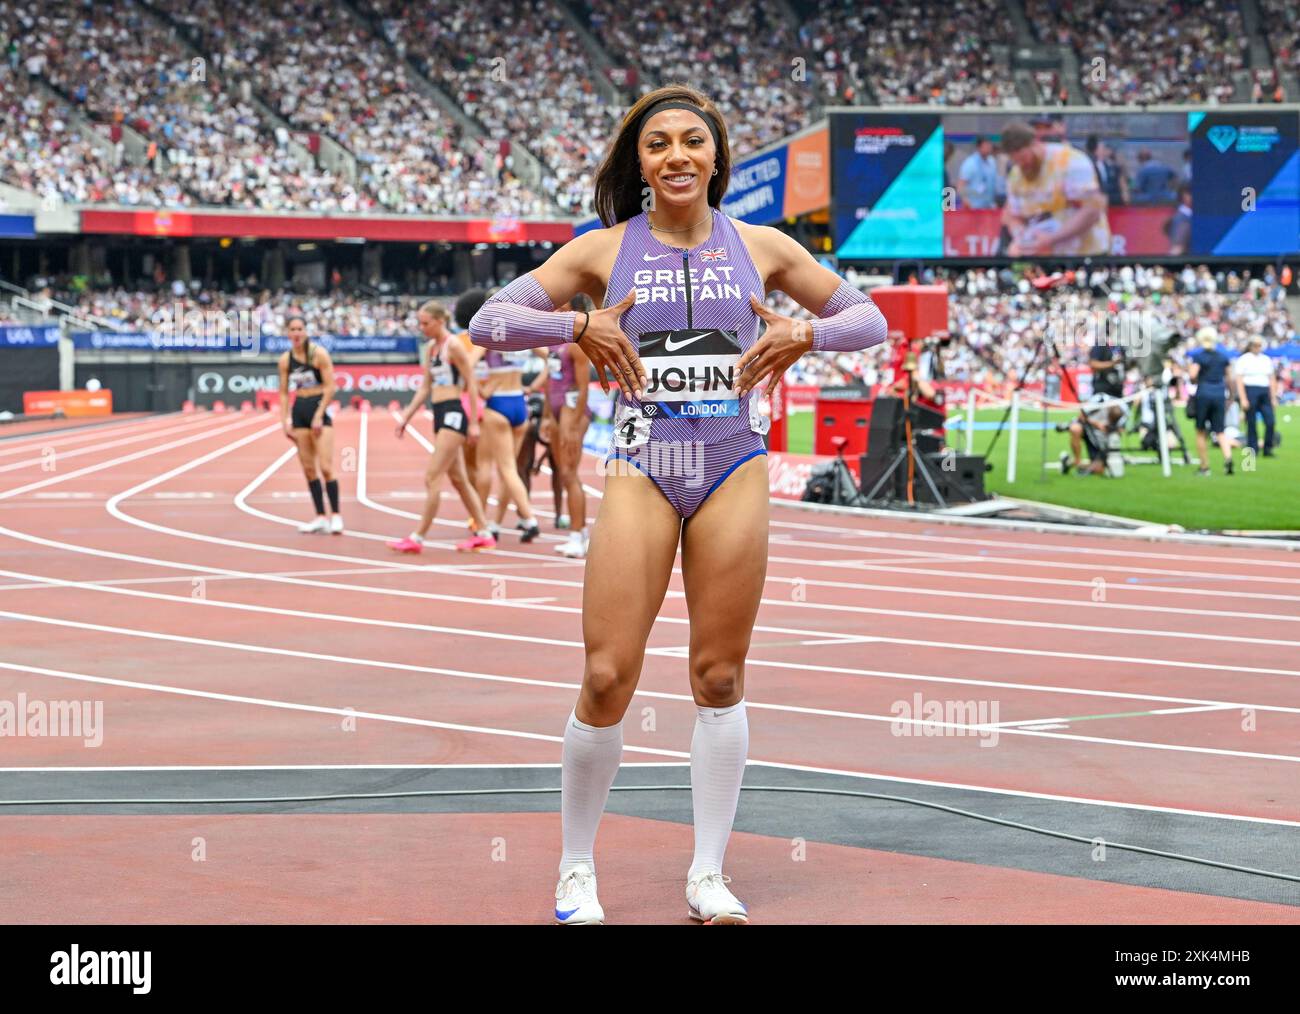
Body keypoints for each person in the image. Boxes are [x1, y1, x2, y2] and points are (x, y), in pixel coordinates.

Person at [468, 84, 887, 925]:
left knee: (719, 674)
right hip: (643, 463)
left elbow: (868, 319)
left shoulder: (762, 246)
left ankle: (707, 875)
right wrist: (575, 329)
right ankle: (577, 870)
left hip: (730, 461)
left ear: (716, 158)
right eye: (657, 145)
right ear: (641, 164)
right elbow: (488, 320)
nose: (677, 156)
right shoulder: (602, 250)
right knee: (607, 673)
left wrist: (805, 333)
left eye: (692, 141)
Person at [388, 300, 496, 554]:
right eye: (420, 323)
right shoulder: (429, 350)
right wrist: (406, 417)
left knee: (432, 476)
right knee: (458, 479)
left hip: (453, 413)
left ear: (439, 321)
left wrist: (472, 423)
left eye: (426, 323)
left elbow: (470, 382)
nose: (421, 327)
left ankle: (418, 537)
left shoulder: (454, 345)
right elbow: (425, 387)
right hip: (439, 412)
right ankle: (484, 532)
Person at [475, 302, 542, 543]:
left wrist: (481, 389)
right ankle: (495, 523)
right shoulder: (523, 333)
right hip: (519, 404)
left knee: (506, 469)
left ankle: (529, 518)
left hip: (499, 405)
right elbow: (548, 358)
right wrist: (532, 387)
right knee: (509, 470)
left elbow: (466, 362)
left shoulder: (488, 335)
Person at [999, 121, 1110, 257]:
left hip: (1084, 253)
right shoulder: (1016, 174)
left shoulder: (1071, 161)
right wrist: (1021, 237)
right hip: (1044, 257)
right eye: (1016, 161)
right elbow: (1012, 215)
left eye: (1024, 158)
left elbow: (1092, 210)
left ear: (1034, 144)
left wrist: (1052, 238)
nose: (1022, 165)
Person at [278, 316, 343, 533]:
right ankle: (320, 517)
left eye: (300, 329)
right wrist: (284, 420)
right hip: (299, 411)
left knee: (325, 467)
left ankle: (335, 515)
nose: (296, 333)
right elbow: (284, 392)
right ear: (288, 333)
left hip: (318, 408)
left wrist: (319, 414)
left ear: (306, 331)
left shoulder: (318, 354)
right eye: (292, 329)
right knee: (308, 469)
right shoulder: (286, 360)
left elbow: (331, 387)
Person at [543, 295, 596, 559]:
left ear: (573, 311)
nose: (554, 310)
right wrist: (545, 416)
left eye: (561, 307)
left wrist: (573, 423)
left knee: (569, 472)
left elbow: (584, 386)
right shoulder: (553, 340)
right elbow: (549, 381)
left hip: (571, 408)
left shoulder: (577, 343)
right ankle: (578, 534)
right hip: (555, 407)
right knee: (562, 472)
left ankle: (578, 533)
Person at [1188, 326, 1235, 476]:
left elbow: (1192, 375)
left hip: (1204, 392)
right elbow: (1229, 378)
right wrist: (1231, 396)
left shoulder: (1199, 355)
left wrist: (1197, 378)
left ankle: (1204, 466)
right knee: (1220, 430)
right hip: (1219, 393)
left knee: (1201, 431)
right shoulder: (1223, 356)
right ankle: (1228, 458)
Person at [1234, 335, 1277, 457]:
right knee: (1251, 422)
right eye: (1255, 345)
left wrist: (1273, 397)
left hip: (1264, 391)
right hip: (1250, 390)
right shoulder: (1244, 359)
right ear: (1251, 346)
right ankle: (1253, 449)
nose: (1258, 348)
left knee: (1270, 421)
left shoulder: (1266, 359)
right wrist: (1243, 398)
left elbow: (1272, 379)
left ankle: (1268, 448)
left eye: (1259, 345)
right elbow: (1239, 379)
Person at [956, 136, 999, 210]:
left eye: (990, 145)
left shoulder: (992, 161)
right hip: (974, 207)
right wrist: (966, 201)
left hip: (989, 206)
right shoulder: (970, 163)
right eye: (986, 145)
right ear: (979, 147)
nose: (989, 147)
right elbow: (961, 185)